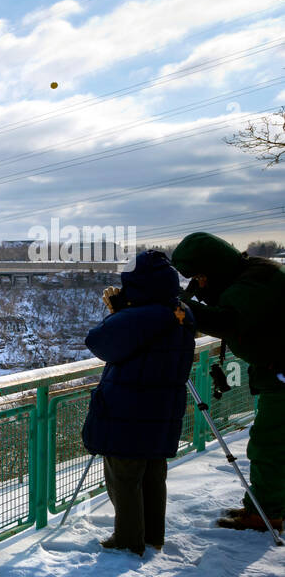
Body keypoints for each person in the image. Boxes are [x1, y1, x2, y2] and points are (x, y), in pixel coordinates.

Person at [81, 250, 196, 555]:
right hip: (163, 407)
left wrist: (119, 311)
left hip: (128, 410)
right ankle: (152, 536)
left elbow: (100, 342)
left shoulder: (141, 316)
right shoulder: (180, 311)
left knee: (125, 478)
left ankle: (128, 541)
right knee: (153, 473)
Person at [171, 232, 285, 531]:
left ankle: (265, 514)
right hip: (275, 371)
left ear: (213, 268)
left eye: (200, 276)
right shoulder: (257, 272)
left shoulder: (249, 287)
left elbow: (229, 321)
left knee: (268, 445)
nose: (201, 284)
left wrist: (184, 309)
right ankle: (266, 506)